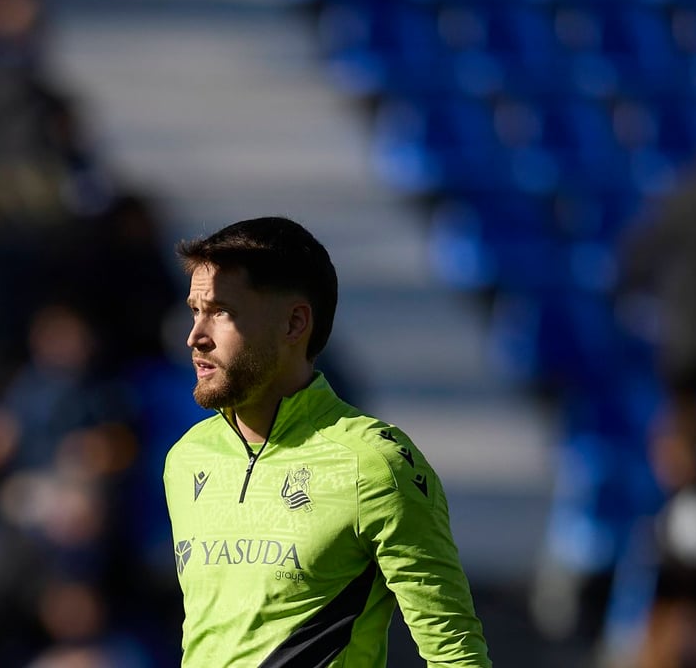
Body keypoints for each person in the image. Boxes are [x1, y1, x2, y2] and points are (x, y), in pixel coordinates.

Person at [163, 217, 491, 666]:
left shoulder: (375, 462)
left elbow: (456, 654)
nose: (195, 337)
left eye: (222, 312)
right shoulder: (186, 458)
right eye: (195, 310)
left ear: (295, 323)